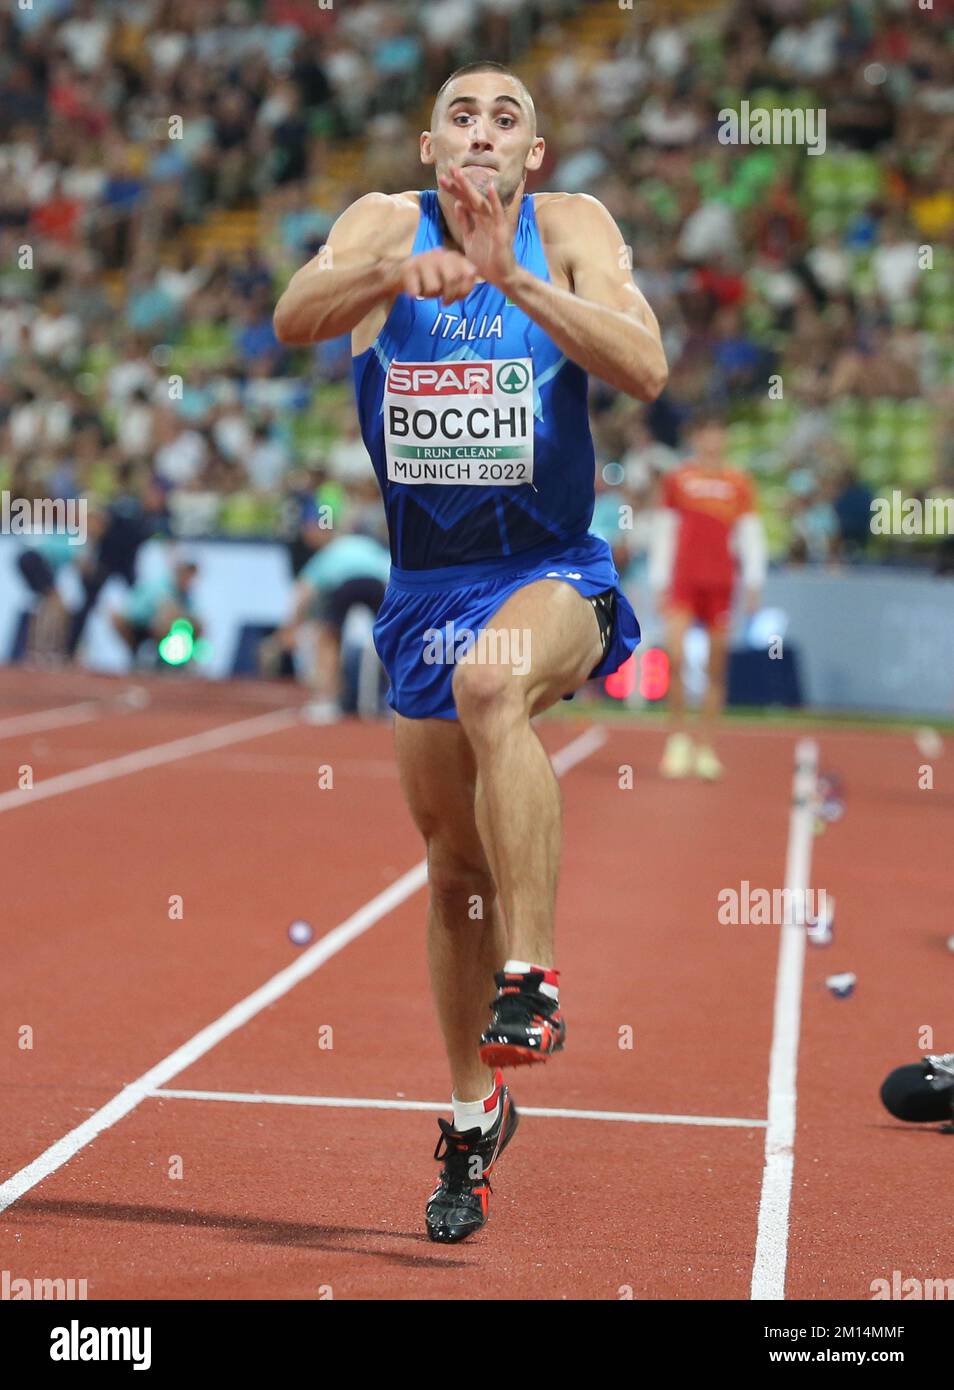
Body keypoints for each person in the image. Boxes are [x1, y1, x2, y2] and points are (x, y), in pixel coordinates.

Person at [273, 60, 667, 1243]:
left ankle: (534, 980)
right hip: (423, 588)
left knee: (495, 680)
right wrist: (404, 274)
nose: (485, 132)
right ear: (432, 146)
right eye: (463, 115)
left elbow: (644, 368)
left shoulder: (575, 227)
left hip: (552, 568)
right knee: (452, 869)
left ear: (533, 155)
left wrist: (516, 285)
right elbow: (295, 317)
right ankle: (468, 1113)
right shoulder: (382, 223)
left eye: (509, 119)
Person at [649, 412, 766, 780]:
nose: (712, 440)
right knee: (676, 656)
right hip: (684, 581)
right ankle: (678, 740)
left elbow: (750, 535)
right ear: (697, 437)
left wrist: (753, 583)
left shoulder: (738, 482)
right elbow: (665, 531)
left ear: (725, 438)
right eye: (706, 433)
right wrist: (659, 581)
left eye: (718, 432)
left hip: (720, 584)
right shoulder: (678, 479)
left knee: (716, 668)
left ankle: (706, 747)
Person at [265, 522, 391, 722]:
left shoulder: (329, 552)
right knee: (390, 642)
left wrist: (290, 627)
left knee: (329, 641)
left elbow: (303, 593)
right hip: (377, 584)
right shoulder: (371, 546)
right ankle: (398, 702)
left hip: (345, 585)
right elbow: (394, 576)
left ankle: (326, 701)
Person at [111, 557, 202, 664]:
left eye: (191, 576)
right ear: (179, 572)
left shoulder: (187, 595)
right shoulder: (162, 586)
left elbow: (194, 620)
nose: (189, 580)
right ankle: (138, 656)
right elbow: (137, 611)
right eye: (186, 574)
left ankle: (176, 662)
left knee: (194, 624)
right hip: (140, 624)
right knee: (169, 616)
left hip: (159, 630)